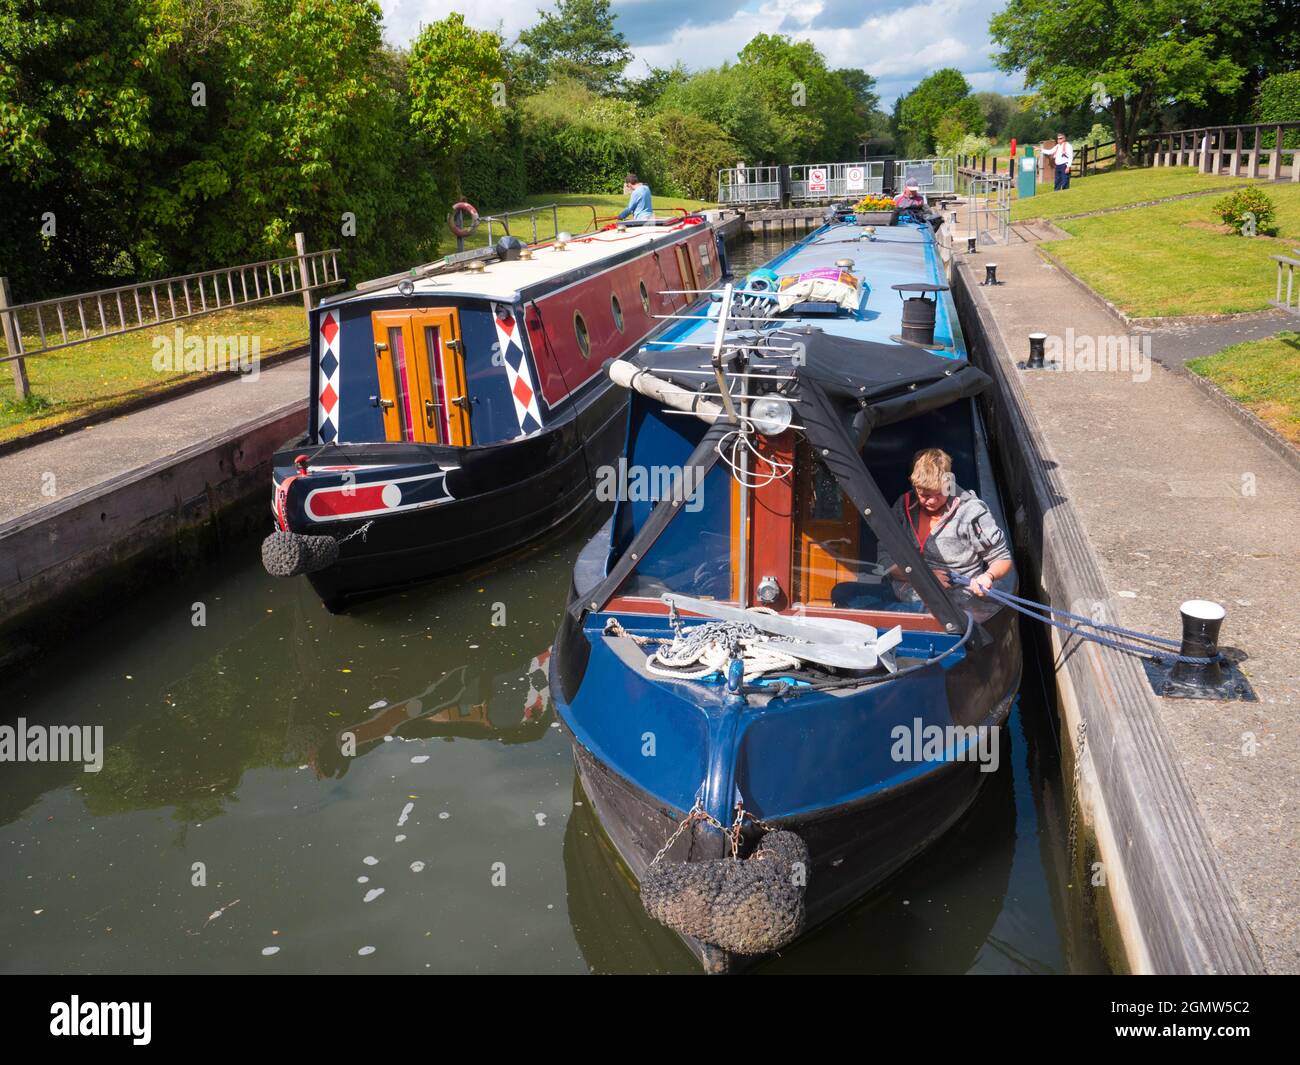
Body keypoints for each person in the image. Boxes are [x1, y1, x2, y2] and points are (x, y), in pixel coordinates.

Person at [875, 448, 1012, 606]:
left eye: (939, 493)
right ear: (914, 486)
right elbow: (884, 554)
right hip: (902, 601)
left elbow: (1002, 558)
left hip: (957, 606)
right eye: (925, 495)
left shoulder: (972, 512)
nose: (932, 501)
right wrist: (922, 577)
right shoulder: (902, 506)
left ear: (949, 483)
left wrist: (988, 576)